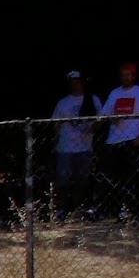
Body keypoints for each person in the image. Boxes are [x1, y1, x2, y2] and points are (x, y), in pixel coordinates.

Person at [98, 62, 139, 219]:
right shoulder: (115, 93)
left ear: (133, 76)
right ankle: (111, 210)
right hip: (113, 140)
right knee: (111, 178)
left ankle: (130, 210)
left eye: (128, 74)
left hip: (131, 139)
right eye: (123, 74)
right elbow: (104, 115)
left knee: (131, 178)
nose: (125, 77)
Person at [52, 70, 102, 218]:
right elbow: (55, 124)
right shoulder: (62, 103)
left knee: (83, 178)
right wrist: (54, 143)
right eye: (73, 82)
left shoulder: (92, 99)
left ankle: (80, 208)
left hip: (84, 146)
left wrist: (93, 126)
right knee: (63, 178)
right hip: (65, 147)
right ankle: (62, 209)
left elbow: (101, 118)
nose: (76, 85)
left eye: (78, 82)